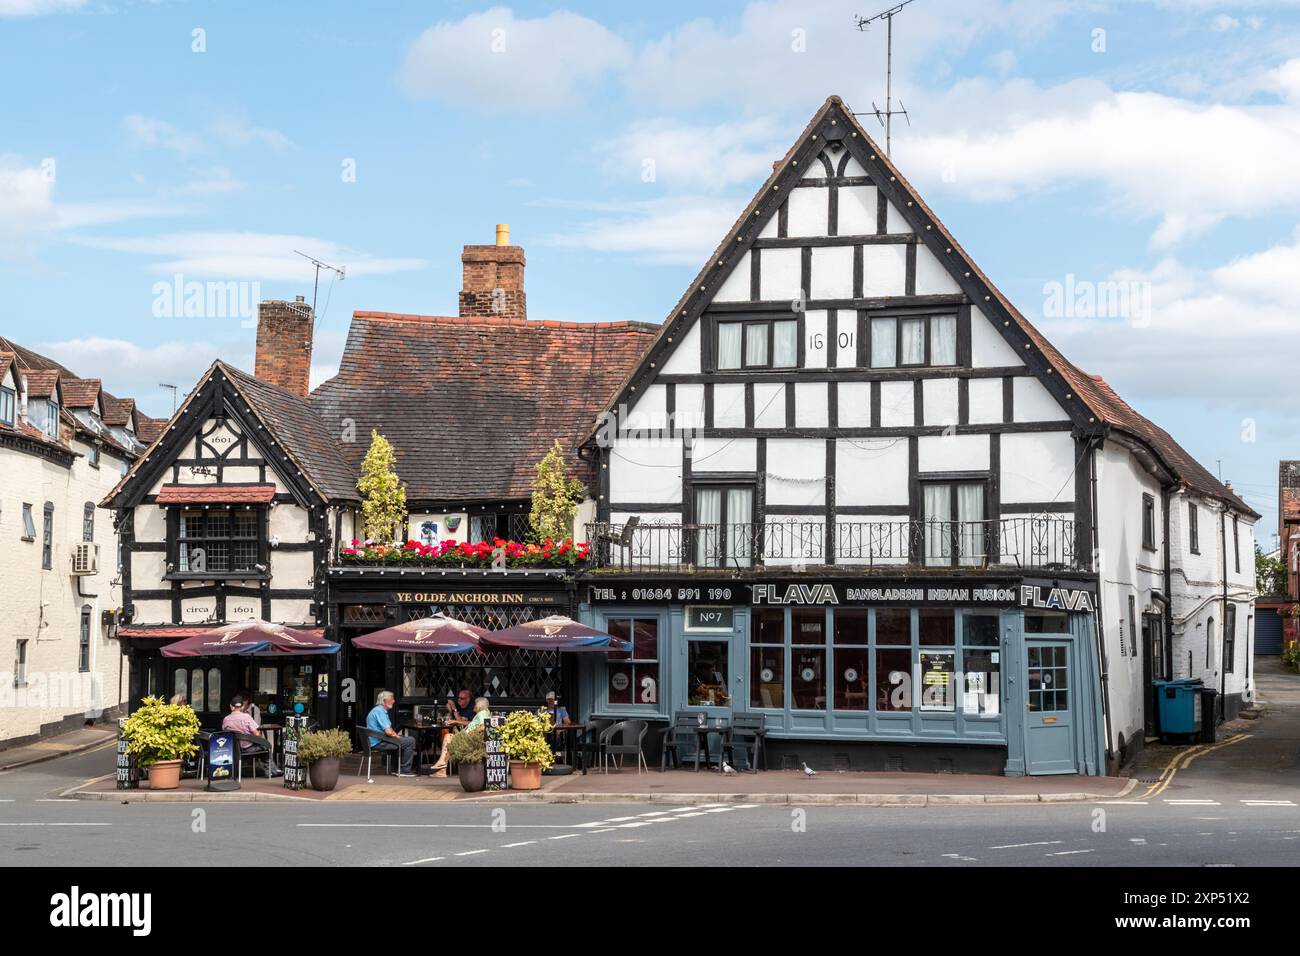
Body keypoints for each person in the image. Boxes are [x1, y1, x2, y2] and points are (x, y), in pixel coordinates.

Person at [429, 697, 490, 777]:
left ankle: (441, 762)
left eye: (475, 704)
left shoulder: (482, 713)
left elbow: (483, 727)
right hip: (468, 739)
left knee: (448, 737)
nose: (473, 706)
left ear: (479, 705)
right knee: (449, 739)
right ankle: (442, 770)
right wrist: (456, 722)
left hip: (469, 741)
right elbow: (472, 723)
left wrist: (469, 734)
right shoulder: (483, 713)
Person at [222, 694, 281, 777]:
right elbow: (256, 733)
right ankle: (271, 771)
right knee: (266, 746)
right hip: (247, 749)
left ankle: (273, 770)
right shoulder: (246, 717)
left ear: (231, 707)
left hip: (232, 748)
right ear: (242, 707)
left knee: (263, 746)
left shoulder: (226, 719)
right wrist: (261, 739)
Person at [366, 690, 416, 777]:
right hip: (379, 743)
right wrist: (397, 737)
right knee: (410, 741)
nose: (394, 701)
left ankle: (395, 769)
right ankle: (404, 770)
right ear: (384, 701)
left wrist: (397, 736)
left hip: (378, 741)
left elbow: (389, 729)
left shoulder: (378, 710)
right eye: (392, 699)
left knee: (403, 740)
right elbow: (388, 731)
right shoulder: (379, 711)